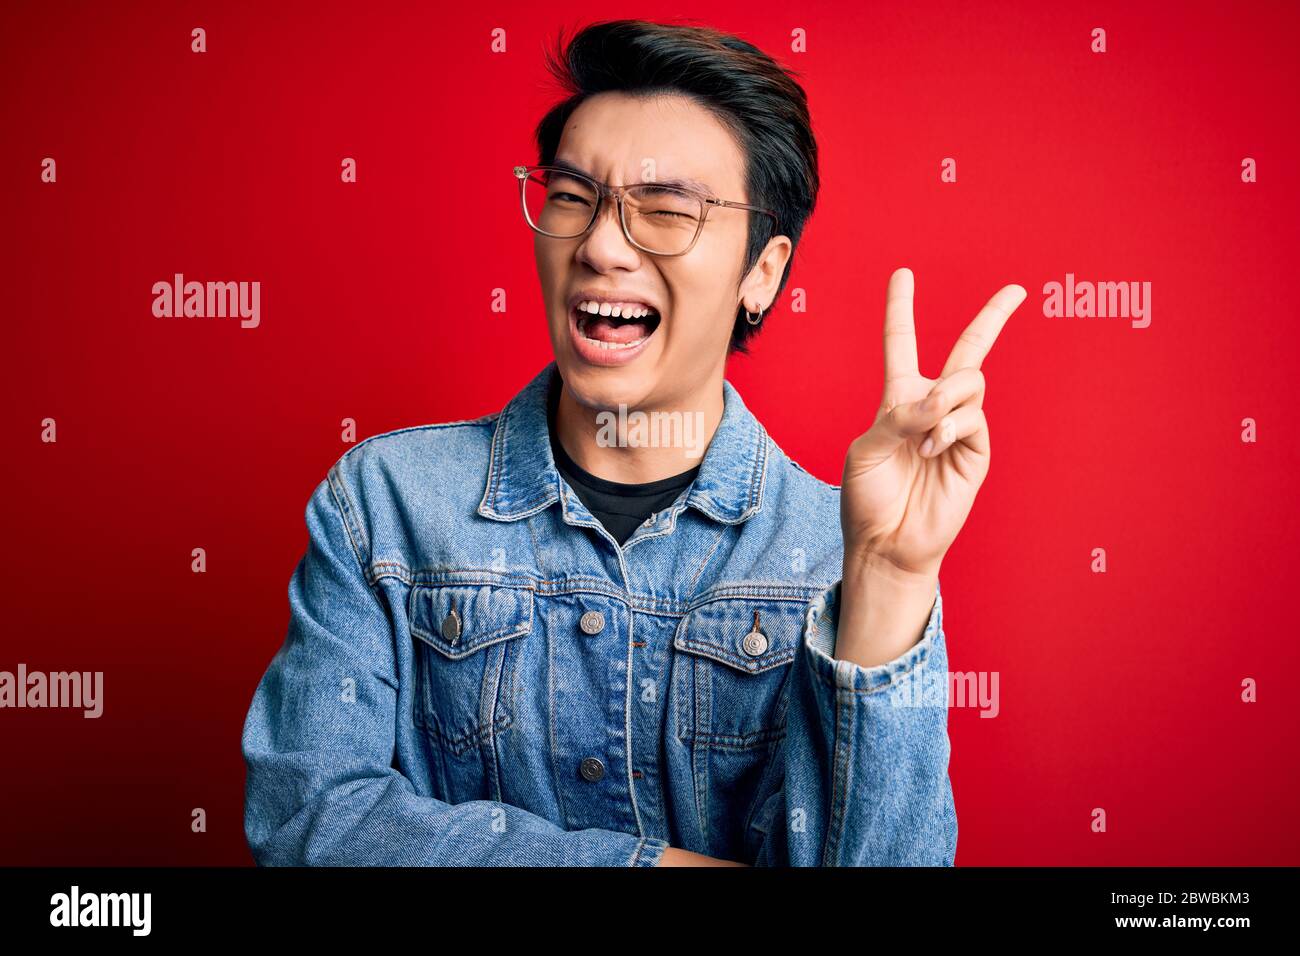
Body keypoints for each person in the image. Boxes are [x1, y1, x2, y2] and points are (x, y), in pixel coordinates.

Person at [240, 17, 1026, 866]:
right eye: (574, 198)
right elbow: (306, 821)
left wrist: (888, 580)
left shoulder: (832, 552)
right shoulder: (383, 505)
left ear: (761, 273)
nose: (601, 247)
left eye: (663, 211)